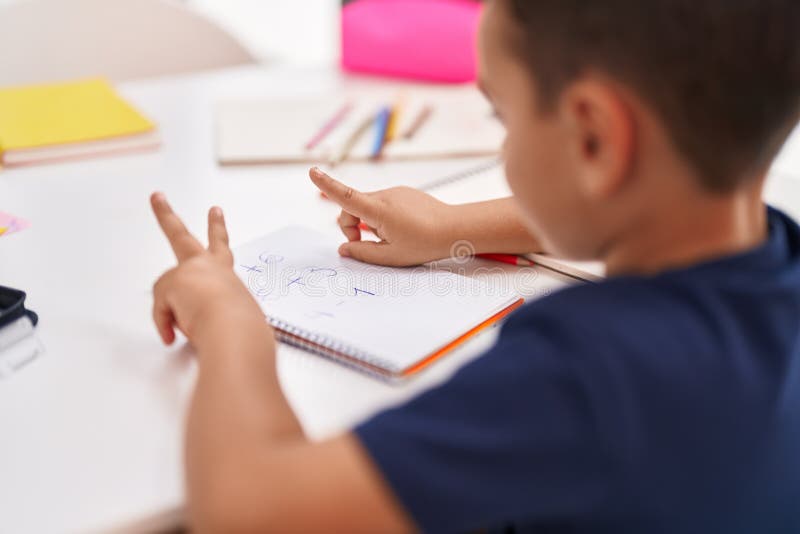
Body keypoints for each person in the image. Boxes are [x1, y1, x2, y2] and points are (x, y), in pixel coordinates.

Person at [149, 0, 800, 531]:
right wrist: (451, 228)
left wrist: (230, 321)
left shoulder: (583, 376)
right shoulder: (774, 258)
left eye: (502, 115)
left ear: (595, 138)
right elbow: (646, 203)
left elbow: (252, 513)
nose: (504, 142)